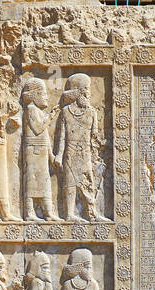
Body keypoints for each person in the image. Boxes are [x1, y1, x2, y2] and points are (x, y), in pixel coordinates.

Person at [55, 73, 108, 222]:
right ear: (77, 92)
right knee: (69, 183)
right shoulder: (65, 112)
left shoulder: (92, 112)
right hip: (70, 153)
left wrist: (103, 146)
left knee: (88, 181)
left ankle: (91, 213)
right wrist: (59, 155)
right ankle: (69, 214)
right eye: (85, 90)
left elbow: (94, 136)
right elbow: (62, 137)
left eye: (89, 90)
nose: (88, 94)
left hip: (85, 152)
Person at [20, 78, 61, 221]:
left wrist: (51, 155)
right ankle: (30, 212)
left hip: (41, 150)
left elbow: (46, 137)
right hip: (33, 150)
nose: (46, 97)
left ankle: (48, 212)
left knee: (45, 181)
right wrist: (50, 117)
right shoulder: (31, 110)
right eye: (43, 94)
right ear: (35, 95)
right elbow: (38, 129)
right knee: (32, 180)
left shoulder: (38, 112)